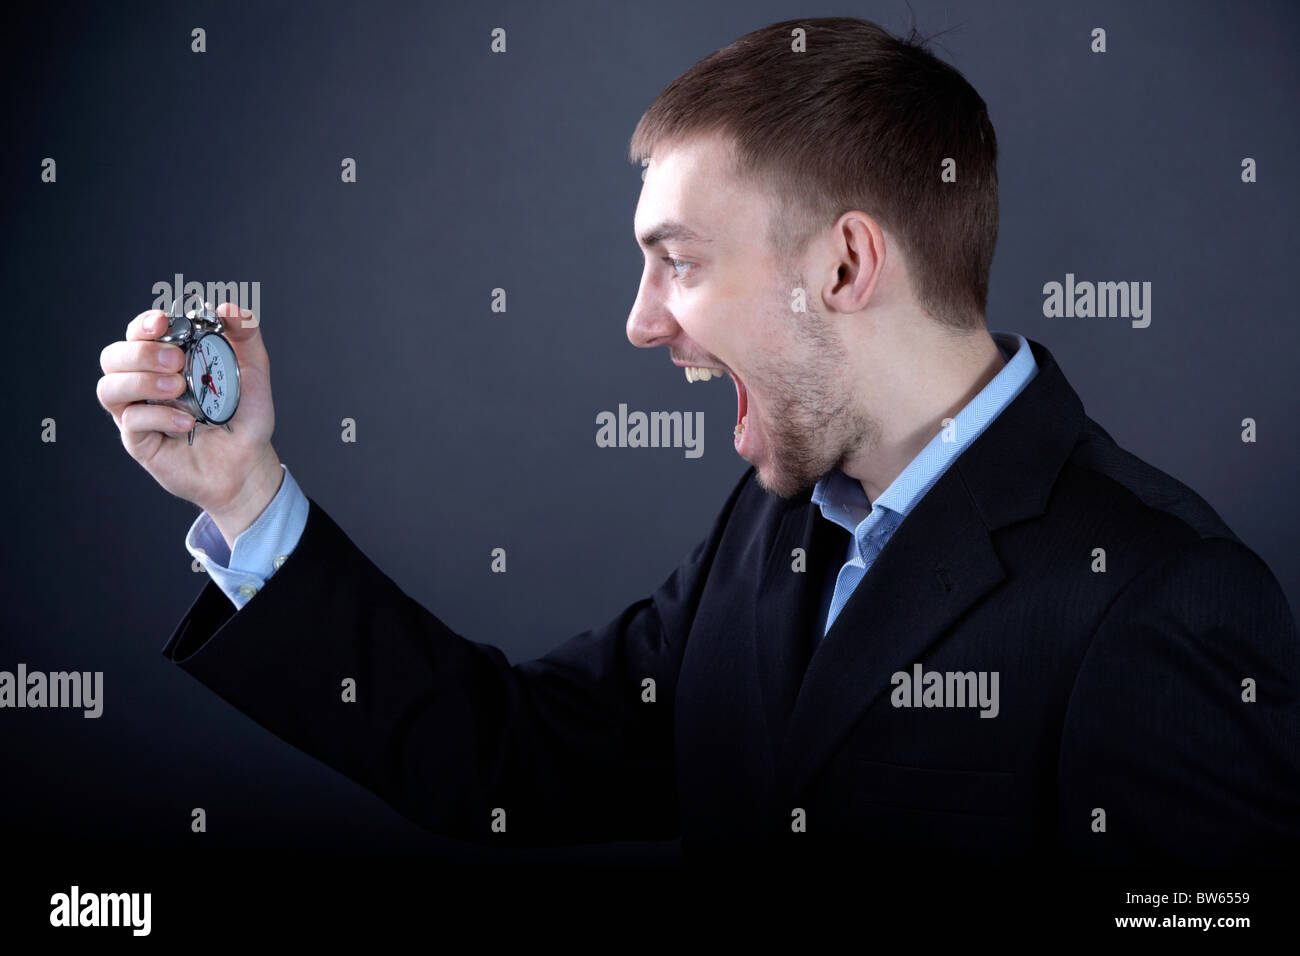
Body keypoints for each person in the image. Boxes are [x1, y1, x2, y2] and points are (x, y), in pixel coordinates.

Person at [96, 17, 1299, 866]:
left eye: (678, 260)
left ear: (841, 264)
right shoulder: (777, 517)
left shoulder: (1162, 599)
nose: (638, 319)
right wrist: (246, 493)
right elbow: (513, 759)